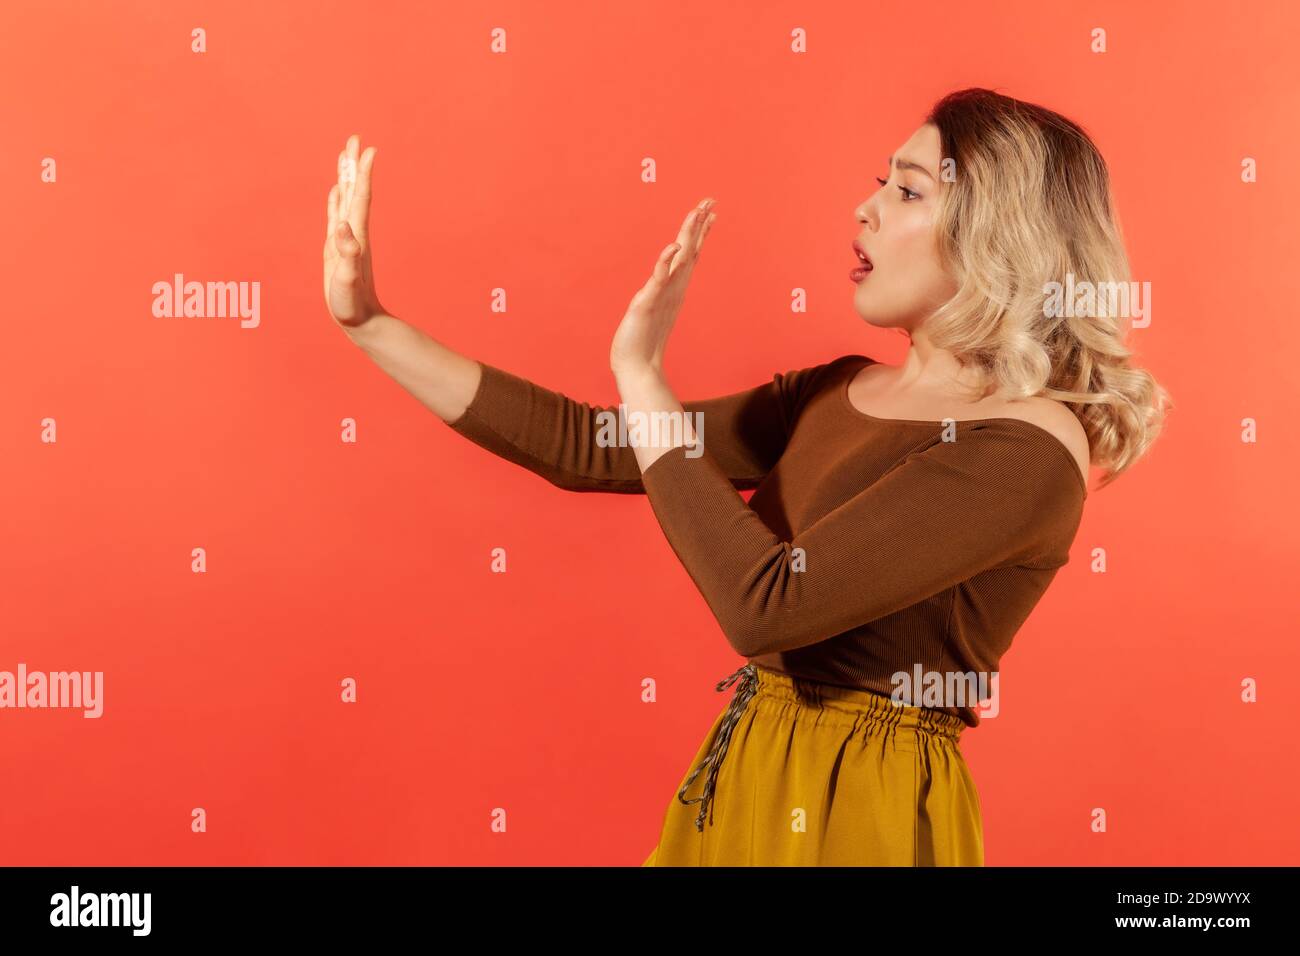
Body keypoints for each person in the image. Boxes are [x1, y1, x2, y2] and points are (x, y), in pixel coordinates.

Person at [321, 87, 1172, 866]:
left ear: (998, 236)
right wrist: (370, 323)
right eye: (882, 183)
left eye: (908, 191)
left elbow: (769, 603)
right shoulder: (833, 391)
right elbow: (588, 444)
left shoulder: (1029, 449)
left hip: (860, 808)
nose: (865, 209)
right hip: (744, 763)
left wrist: (645, 377)